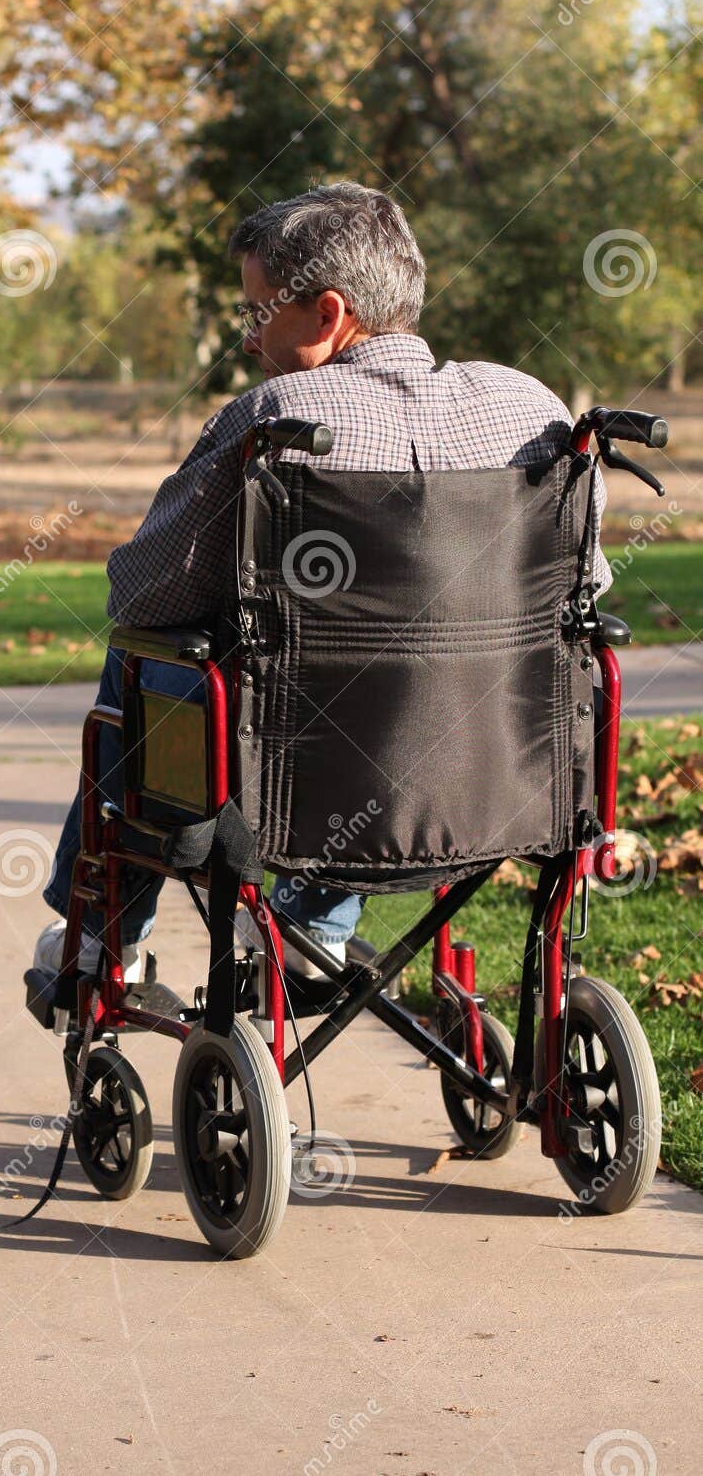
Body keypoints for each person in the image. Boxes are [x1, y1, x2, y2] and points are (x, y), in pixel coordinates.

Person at [32, 181, 607, 984]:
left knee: (142, 660)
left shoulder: (274, 420)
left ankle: (101, 939)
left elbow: (144, 597)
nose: (246, 340)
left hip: (296, 775)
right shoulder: (532, 412)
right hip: (499, 772)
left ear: (329, 312)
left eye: (257, 312)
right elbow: (582, 587)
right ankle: (316, 924)